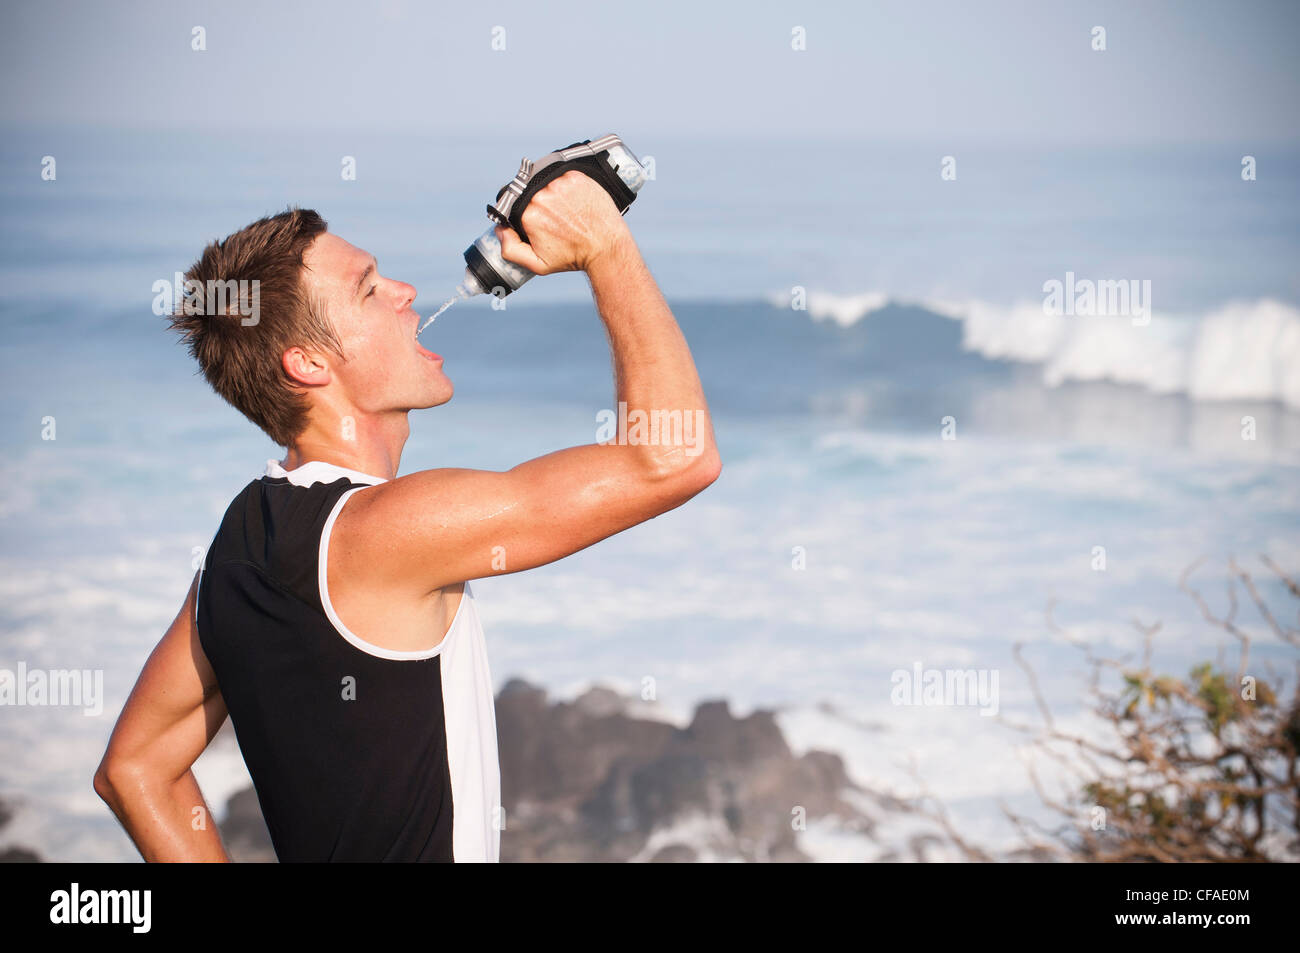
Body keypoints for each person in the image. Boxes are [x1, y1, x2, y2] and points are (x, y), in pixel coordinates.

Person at [92, 170, 721, 862]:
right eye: (368, 288)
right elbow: (673, 456)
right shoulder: (382, 528)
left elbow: (135, 767)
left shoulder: (241, 539)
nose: (405, 292)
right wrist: (606, 245)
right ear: (306, 363)